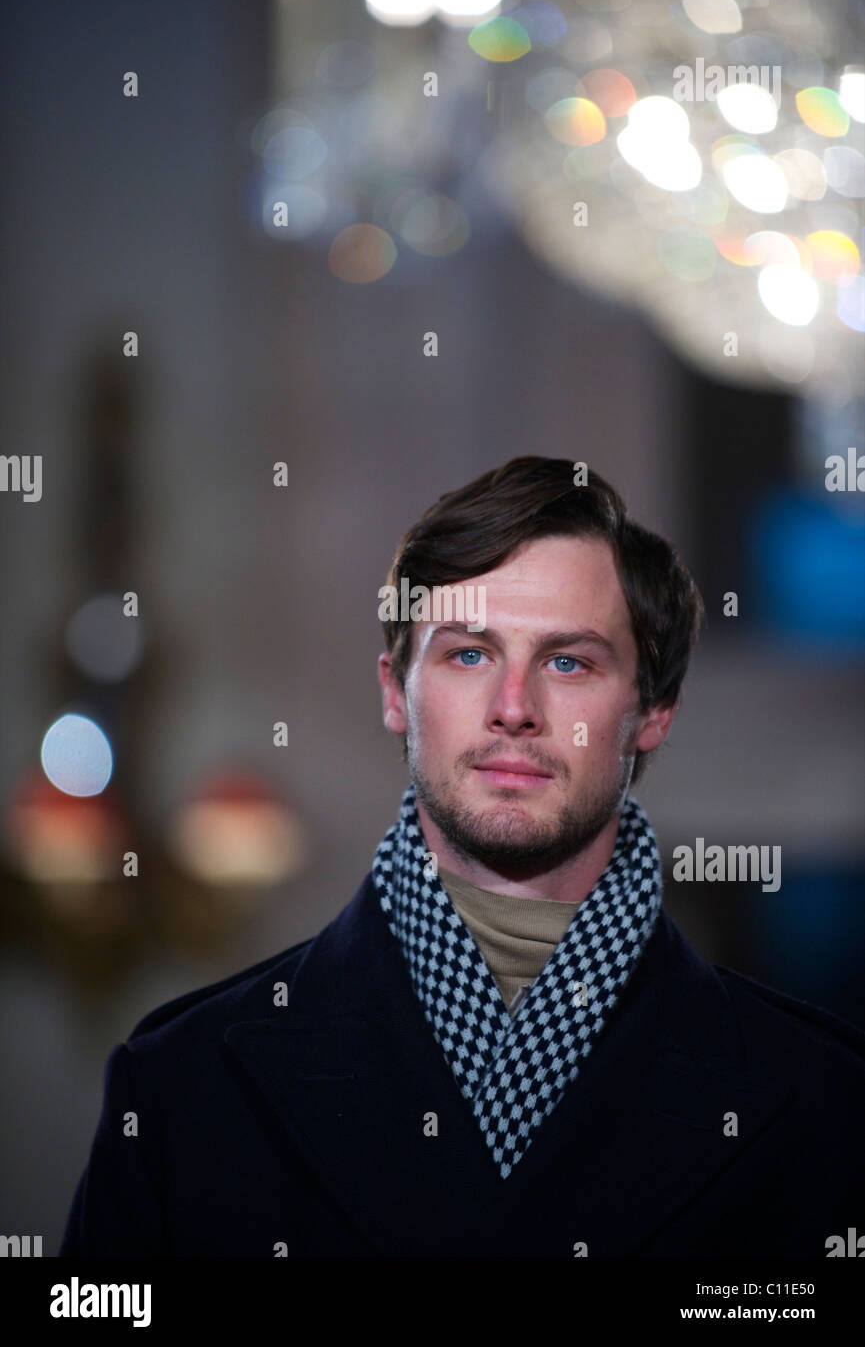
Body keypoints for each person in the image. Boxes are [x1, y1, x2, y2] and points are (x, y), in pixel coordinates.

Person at [61, 456, 865, 1257]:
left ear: (652, 711)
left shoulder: (828, 1100)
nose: (513, 709)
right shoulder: (179, 1087)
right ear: (393, 691)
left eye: (567, 662)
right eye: (468, 655)